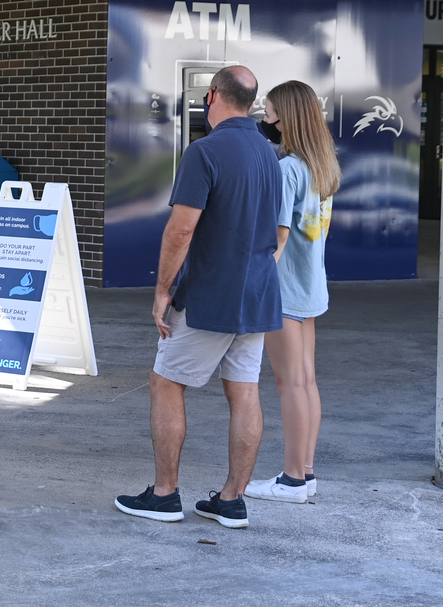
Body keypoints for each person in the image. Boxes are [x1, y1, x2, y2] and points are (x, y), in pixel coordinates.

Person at [114, 66, 282, 530]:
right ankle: (232, 500)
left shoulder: (204, 151)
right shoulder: (270, 154)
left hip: (210, 293)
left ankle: (165, 495)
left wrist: (163, 290)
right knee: (244, 392)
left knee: (166, 382)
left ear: (211, 97)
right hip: (258, 293)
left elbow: (181, 229)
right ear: (251, 101)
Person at [244, 80, 340, 504]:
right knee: (307, 381)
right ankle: (306, 470)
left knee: (289, 384)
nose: (264, 119)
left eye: (267, 112)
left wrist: (254, 286)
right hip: (311, 287)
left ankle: (291, 480)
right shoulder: (322, 167)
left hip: (285, 290)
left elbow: (277, 240)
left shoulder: (287, 170)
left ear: (286, 117)